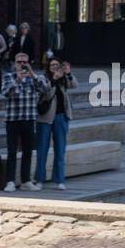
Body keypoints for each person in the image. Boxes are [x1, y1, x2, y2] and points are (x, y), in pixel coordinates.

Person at [0, 52, 49, 192]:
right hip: (13, 119)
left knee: (28, 151)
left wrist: (32, 74)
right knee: (12, 151)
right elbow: (6, 93)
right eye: (19, 62)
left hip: (28, 118)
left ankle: (25, 180)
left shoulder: (34, 78)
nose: (21, 64)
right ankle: (10, 181)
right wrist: (19, 80)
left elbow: (45, 89)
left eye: (24, 62)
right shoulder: (9, 77)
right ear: (14, 63)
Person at [35, 57, 78, 191]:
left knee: (60, 149)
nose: (55, 67)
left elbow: (74, 85)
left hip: (61, 117)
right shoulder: (43, 79)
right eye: (52, 65)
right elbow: (46, 93)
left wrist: (68, 73)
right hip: (45, 118)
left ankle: (59, 180)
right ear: (48, 67)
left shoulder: (64, 79)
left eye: (57, 65)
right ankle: (39, 179)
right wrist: (54, 79)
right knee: (42, 150)